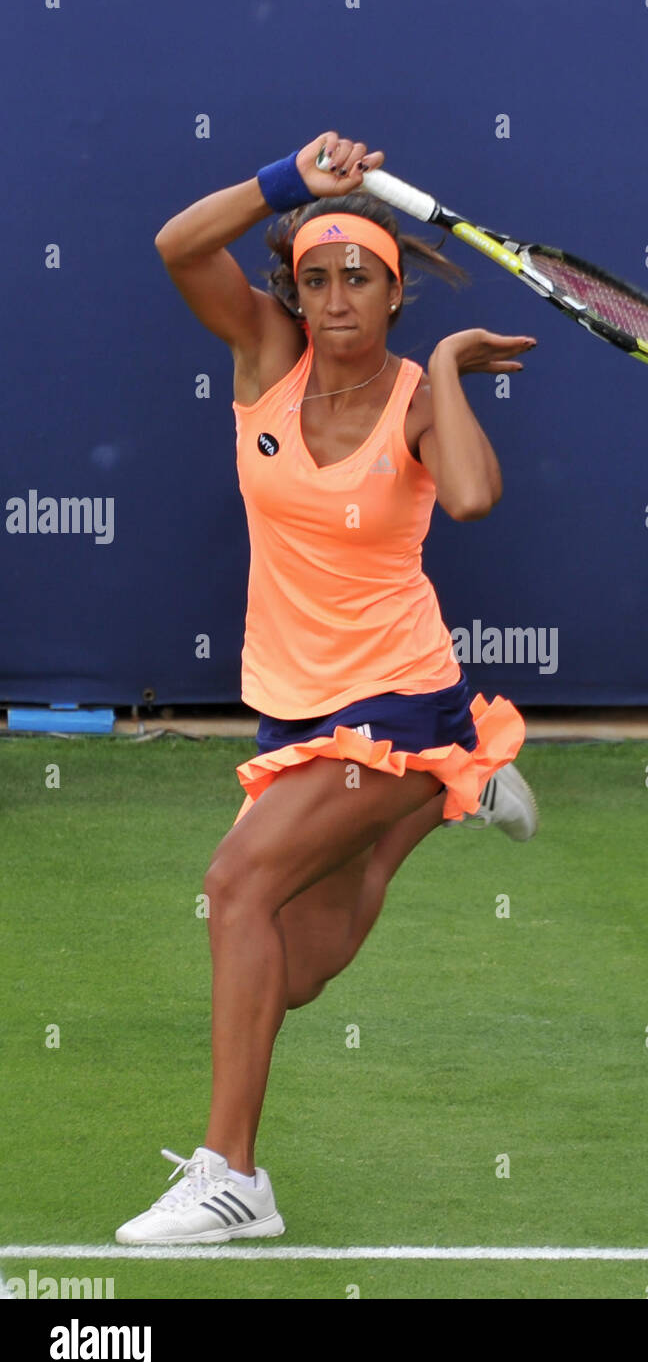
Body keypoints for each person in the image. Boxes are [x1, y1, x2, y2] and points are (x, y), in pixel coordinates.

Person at [116, 130, 538, 1244]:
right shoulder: (264, 358)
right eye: (316, 275)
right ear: (292, 293)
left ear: (395, 293)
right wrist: (289, 185)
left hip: (398, 698)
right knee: (288, 972)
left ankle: (231, 1176)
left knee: (236, 887)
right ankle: (452, 797)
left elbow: (476, 498)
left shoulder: (412, 393)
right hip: (293, 708)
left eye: (359, 275)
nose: (337, 294)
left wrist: (444, 371)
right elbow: (173, 246)